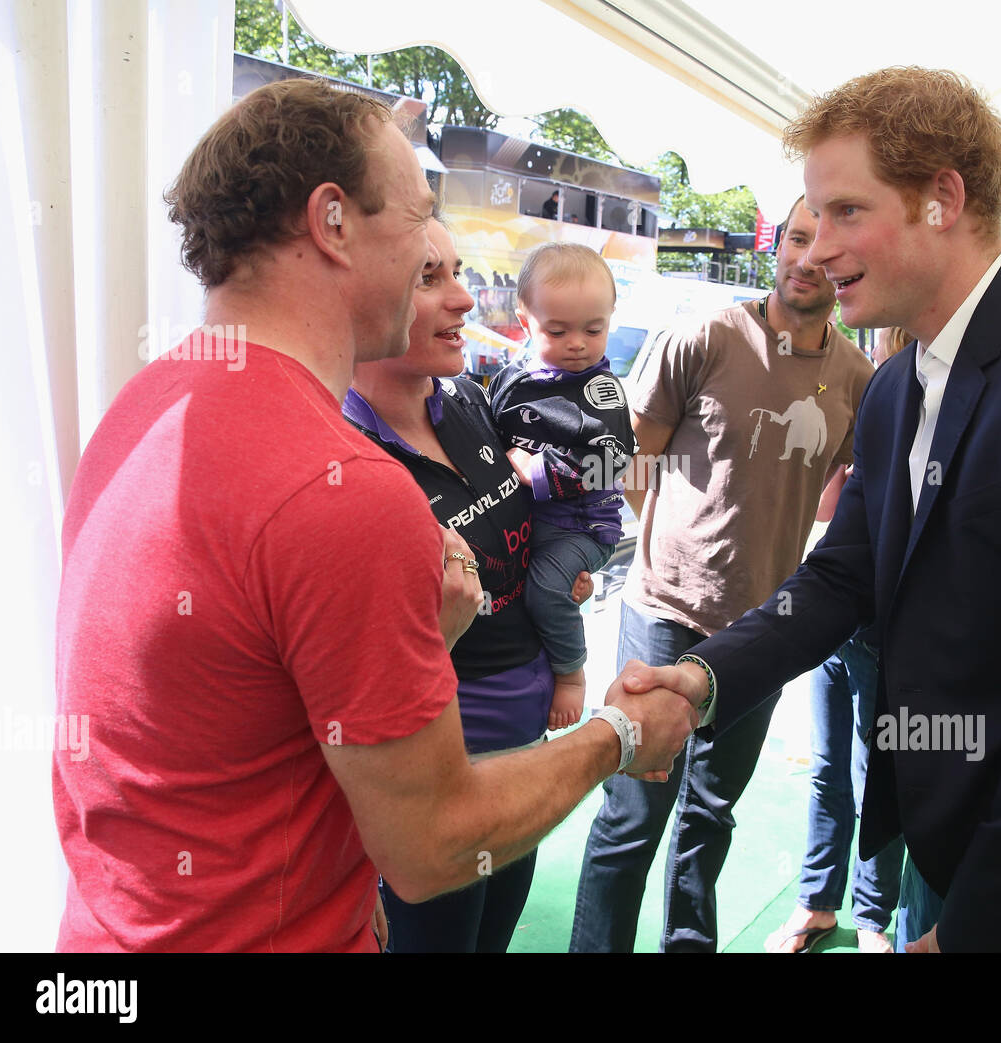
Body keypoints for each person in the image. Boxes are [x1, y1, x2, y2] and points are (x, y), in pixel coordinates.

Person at [51, 78, 696, 952]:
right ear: (333, 221)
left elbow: (230, 719)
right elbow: (434, 844)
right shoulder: (345, 488)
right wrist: (620, 732)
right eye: (417, 220)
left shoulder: (144, 404)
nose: (449, 278)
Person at [623, 66, 1001, 952]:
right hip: (953, 852)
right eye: (812, 215)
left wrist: (977, 927)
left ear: (942, 197)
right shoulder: (895, 387)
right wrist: (705, 677)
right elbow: (842, 574)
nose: (814, 247)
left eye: (846, 211)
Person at [570, 197, 877, 952]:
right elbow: (634, 459)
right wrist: (675, 542)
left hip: (763, 631)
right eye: (797, 238)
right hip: (663, 609)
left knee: (711, 811)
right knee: (633, 810)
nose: (809, 256)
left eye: (825, 241)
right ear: (777, 248)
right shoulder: (704, 335)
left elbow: (842, 489)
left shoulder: (857, 377)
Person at [346, 222, 594, 951]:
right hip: (435, 771)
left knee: (494, 933)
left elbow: (529, 525)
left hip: (524, 740)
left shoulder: (467, 401)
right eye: (430, 278)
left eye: (459, 271)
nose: (463, 298)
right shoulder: (345, 454)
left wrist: (563, 564)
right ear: (361, 291)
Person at [766, 327, 910, 954]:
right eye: (879, 351)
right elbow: (827, 513)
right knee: (829, 769)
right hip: (838, 623)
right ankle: (818, 902)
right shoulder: (868, 404)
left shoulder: (945, 427)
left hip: (890, 629)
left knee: (879, 772)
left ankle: (874, 916)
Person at [489, 244, 636, 731]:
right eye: (558, 330)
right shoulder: (511, 379)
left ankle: (572, 674)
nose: (578, 343)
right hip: (527, 523)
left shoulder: (600, 390)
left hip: (582, 527)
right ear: (525, 319)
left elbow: (615, 459)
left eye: (594, 329)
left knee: (548, 588)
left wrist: (538, 471)